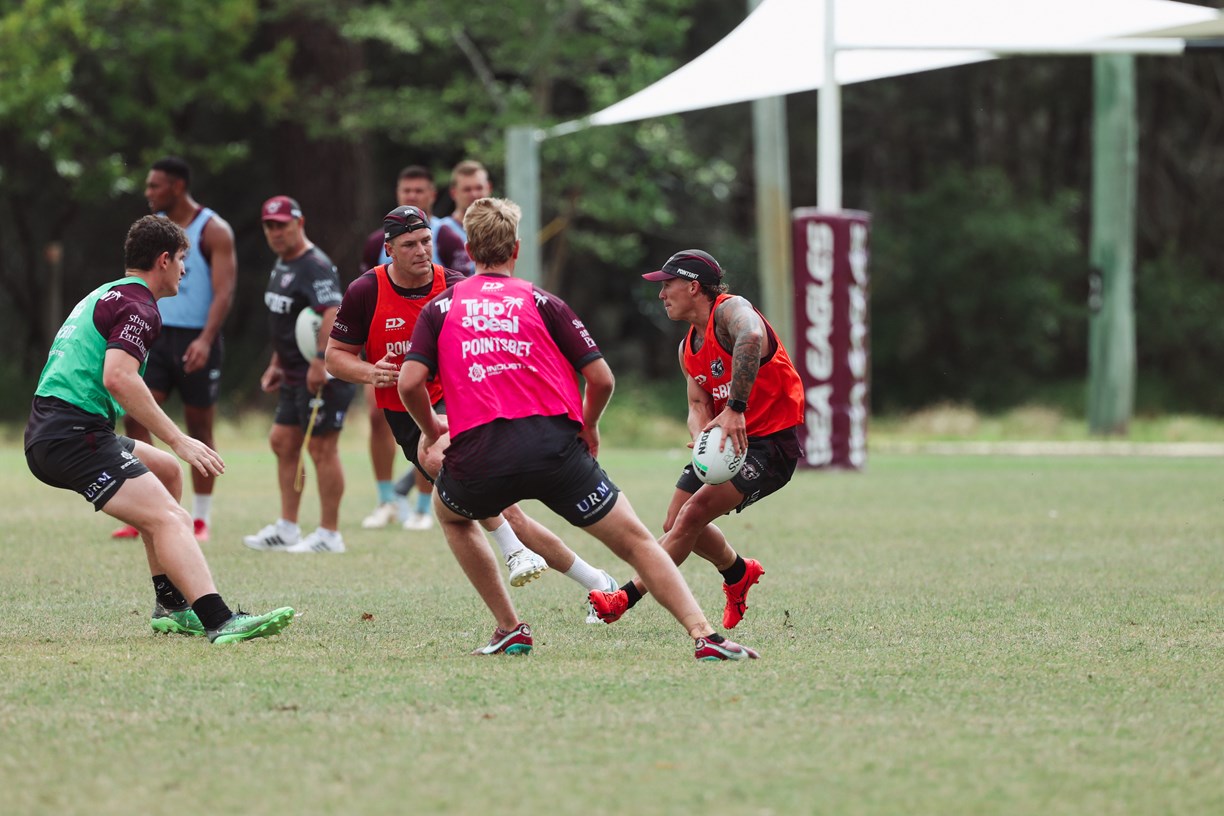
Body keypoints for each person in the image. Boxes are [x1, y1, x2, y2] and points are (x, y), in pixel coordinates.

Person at [398, 198, 759, 660]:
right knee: (638, 542)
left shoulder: (441, 308)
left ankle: (510, 627)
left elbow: (410, 382)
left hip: (481, 455)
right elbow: (602, 378)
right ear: (517, 249)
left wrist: (431, 428)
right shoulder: (544, 302)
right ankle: (705, 635)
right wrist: (588, 427)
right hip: (557, 450)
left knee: (450, 513)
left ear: (468, 249)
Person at [328, 205, 619, 616]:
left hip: (457, 401)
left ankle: (518, 560)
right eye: (409, 244)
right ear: (389, 249)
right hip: (405, 414)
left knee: (442, 460)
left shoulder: (454, 286)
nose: (421, 251)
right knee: (505, 513)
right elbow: (335, 357)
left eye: (426, 241)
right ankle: (597, 583)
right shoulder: (366, 291)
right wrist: (368, 372)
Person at [24, 215, 293, 643]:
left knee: (167, 473)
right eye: (184, 260)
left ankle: (170, 605)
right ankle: (220, 620)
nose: (186, 271)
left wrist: (171, 449)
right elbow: (119, 377)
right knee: (172, 518)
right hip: (73, 435)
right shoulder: (140, 307)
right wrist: (179, 437)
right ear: (164, 260)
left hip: (60, 428)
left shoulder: (107, 293)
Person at [589, 249, 805, 631]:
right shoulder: (687, 346)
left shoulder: (730, 310)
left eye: (667, 284)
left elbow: (752, 336)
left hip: (770, 445)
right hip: (730, 443)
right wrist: (701, 432)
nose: (661, 294)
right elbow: (696, 401)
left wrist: (736, 407)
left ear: (693, 286)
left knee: (691, 516)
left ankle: (623, 597)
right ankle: (738, 572)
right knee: (676, 520)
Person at [113, 156, 236, 543]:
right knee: (137, 419)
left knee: (199, 427)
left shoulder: (213, 230)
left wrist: (204, 338)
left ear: (178, 187)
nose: (148, 192)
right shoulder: (154, 232)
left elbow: (224, 290)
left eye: (155, 186)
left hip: (197, 339)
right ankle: (147, 509)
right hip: (154, 336)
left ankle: (200, 519)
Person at [243, 196, 357, 554]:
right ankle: (288, 528)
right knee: (282, 441)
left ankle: (329, 534)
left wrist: (320, 361)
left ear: (299, 222)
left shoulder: (315, 265)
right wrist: (277, 362)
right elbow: (288, 321)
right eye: (269, 226)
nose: (276, 232)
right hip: (292, 373)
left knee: (322, 447)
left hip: (320, 372)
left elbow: (331, 312)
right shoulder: (283, 264)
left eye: (282, 224)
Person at [359, 166, 440, 532]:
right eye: (406, 190)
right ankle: (387, 500)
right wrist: (367, 367)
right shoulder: (375, 246)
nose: (413, 196)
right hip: (385, 359)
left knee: (433, 433)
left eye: (419, 190)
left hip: (437, 369)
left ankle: (424, 506)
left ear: (432, 194)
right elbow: (367, 304)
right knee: (378, 419)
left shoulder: (450, 240)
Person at [431, 160, 491, 276]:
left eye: (479, 188)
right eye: (467, 189)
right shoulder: (439, 232)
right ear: (453, 193)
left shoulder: (499, 230)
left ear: (488, 187)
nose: (474, 194)